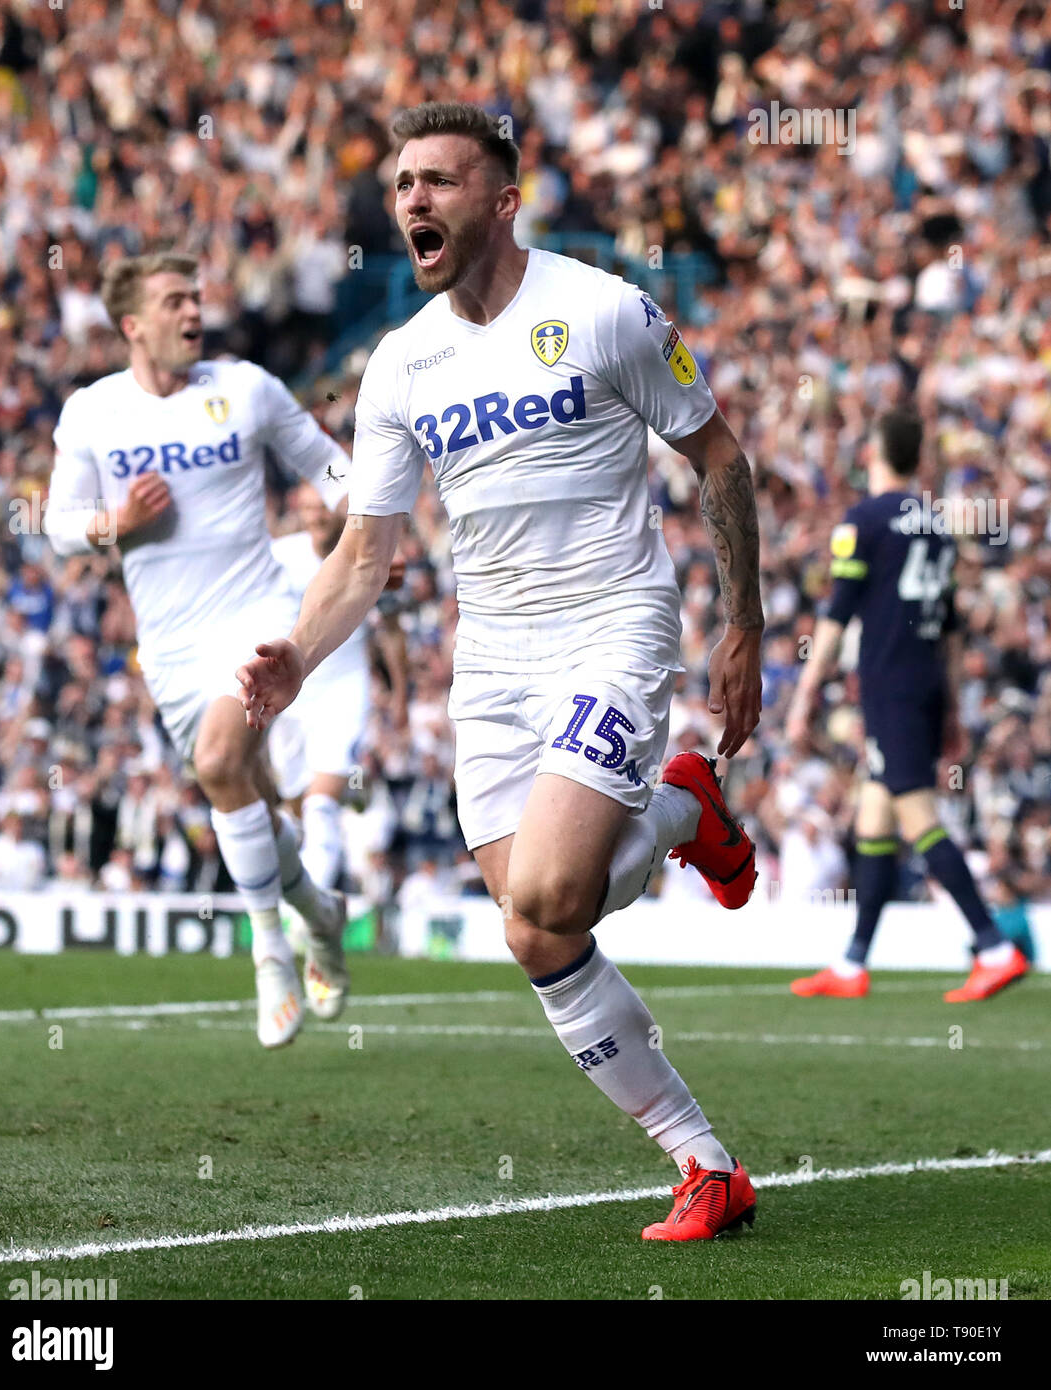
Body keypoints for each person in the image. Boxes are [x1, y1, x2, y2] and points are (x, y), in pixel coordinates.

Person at [238, 102, 764, 1242]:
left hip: (610, 626)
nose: (413, 201)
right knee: (533, 934)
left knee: (553, 896)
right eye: (402, 185)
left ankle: (677, 805)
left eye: (438, 180)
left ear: (503, 200)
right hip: (493, 662)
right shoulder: (402, 363)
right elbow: (364, 553)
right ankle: (705, 1163)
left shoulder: (602, 309)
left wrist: (747, 627)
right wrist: (296, 652)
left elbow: (718, 456)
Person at [45, 251, 352, 1048]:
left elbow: (330, 465)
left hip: (256, 615)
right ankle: (319, 913)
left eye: (197, 296)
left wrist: (364, 528)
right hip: (170, 647)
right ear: (132, 326)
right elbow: (54, 523)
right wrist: (114, 525)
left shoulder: (245, 388)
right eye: (175, 301)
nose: (193, 313)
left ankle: (270, 952)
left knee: (220, 766)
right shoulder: (93, 412)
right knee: (237, 783)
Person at [786, 409, 1028, 1003]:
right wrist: (948, 707)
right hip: (922, 685)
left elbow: (836, 617)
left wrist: (803, 696)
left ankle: (993, 947)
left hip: (890, 684)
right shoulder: (937, 524)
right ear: (917, 456)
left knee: (917, 815)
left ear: (872, 451)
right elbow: (948, 631)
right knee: (875, 817)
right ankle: (852, 963)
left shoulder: (864, 519)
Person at [268, 481, 409, 894]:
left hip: (342, 690)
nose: (316, 516)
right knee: (294, 804)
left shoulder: (367, 558)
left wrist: (399, 694)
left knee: (321, 804)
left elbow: (392, 631)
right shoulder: (279, 556)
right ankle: (300, 892)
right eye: (309, 508)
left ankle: (312, 917)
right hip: (288, 698)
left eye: (324, 509)